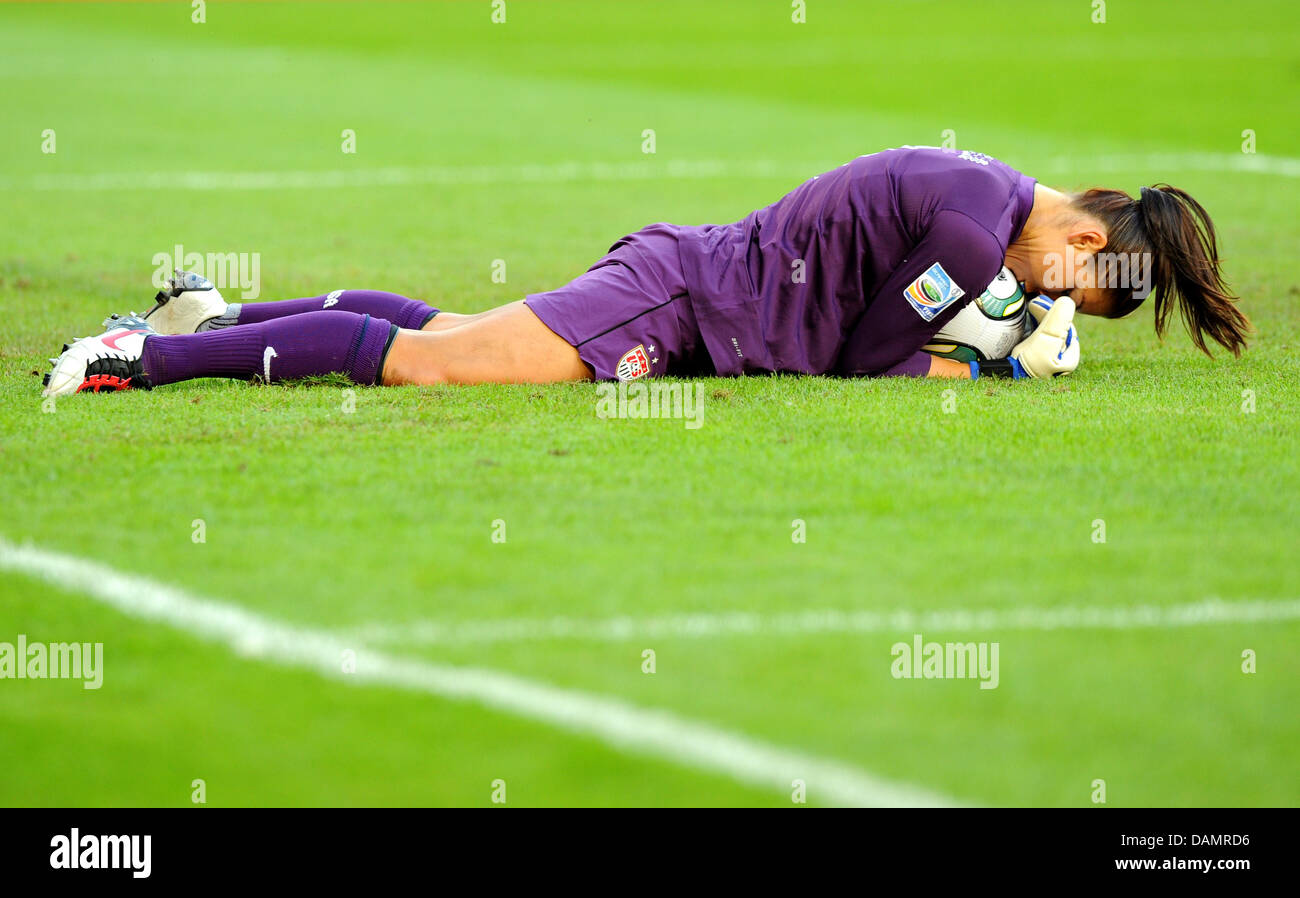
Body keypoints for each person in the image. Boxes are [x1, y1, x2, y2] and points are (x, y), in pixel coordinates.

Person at [42, 146, 1248, 397]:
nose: (1040, 299)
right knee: (440, 369)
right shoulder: (978, 235)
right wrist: (984, 364)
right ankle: (141, 357)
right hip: (684, 298)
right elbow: (869, 358)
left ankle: (216, 310)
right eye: (1063, 289)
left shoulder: (986, 197)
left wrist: (982, 337)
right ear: (1088, 237)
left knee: (455, 328)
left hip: (690, 289)